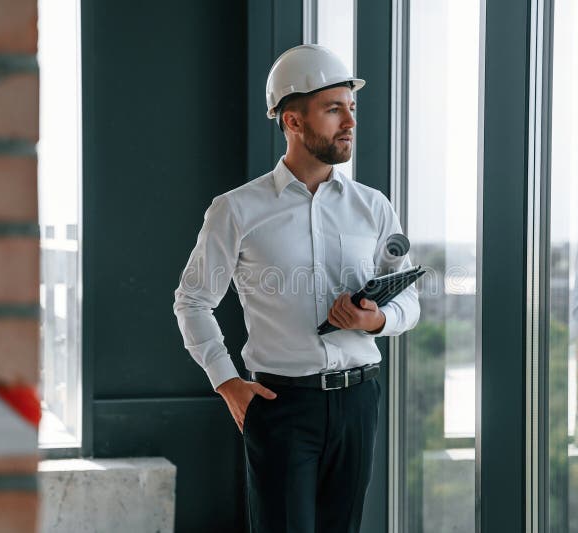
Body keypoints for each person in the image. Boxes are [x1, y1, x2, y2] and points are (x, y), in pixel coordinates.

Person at [173, 44, 420, 533]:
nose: (349, 122)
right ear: (292, 121)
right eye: (333, 109)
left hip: (358, 402)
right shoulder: (236, 210)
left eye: (351, 107)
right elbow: (193, 301)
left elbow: (408, 299)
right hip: (281, 406)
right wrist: (227, 383)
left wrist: (376, 319)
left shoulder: (373, 206)